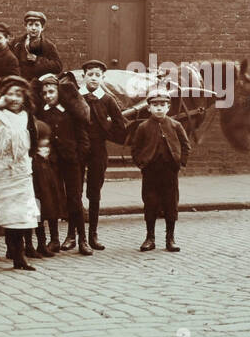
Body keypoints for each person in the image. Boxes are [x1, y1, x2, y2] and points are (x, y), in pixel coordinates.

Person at [0, 76, 38, 271]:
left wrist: (25, 160)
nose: (13, 98)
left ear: (25, 97)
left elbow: (33, 142)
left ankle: (18, 256)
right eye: (9, 94)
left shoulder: (28, 116)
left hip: (19, 173)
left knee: (18, 216)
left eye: (18, 94)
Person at [35, 74, 92, 256]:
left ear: (58, 92)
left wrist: (79, 157)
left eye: (51, 92)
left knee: (74, 199)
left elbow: (83, 138)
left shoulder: (70, 111)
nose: (48, 96)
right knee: (53, 198)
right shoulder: (42, 113)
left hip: (72, 161)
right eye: (44, 93)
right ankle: (54, 239)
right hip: (52, 162)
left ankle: (82, 239)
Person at [131, 88, 190, 252]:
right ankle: (150, 238)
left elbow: (186, 146)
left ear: (168, 107)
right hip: (150, 172)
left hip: (169, 172)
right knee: (150, 203)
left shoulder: (175, 125)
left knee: (171, 204)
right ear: (148, 107)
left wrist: (180, 163)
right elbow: (135, 149)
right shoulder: (143, 127)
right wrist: (142, 164)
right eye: (155, 105)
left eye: (162, 104)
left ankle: (170, 238)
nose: (159, 108)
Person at [81, 60, 127, 251]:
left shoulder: (107, 99)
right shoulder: (76, 97)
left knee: (94, 191)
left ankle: (93, 235)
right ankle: (74, 236)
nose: (93, 78)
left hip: (98, 150)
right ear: (84, 77)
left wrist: (105, 129)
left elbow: (120, 124)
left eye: (97, 75)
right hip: (77, 149)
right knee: (74, 191)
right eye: (90, 74)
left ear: (102, 78)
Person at [30, 119, 64, 258]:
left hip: (50, 190)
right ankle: (41, 243)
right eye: (42, 139)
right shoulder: (33, 156)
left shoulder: (50, 154)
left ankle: (54, 239)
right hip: (38, 191)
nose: (45, 141)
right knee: (38, 217)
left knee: (52, 214)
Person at [12, 11, 62, 80]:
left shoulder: (48, 45)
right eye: (30, 24)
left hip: (39, 82)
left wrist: (37, 60)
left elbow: (58, 66)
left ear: (42, 28)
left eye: (37, 25)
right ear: (25, 26)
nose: (33, 28)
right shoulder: (17, 43)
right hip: (20, 81)